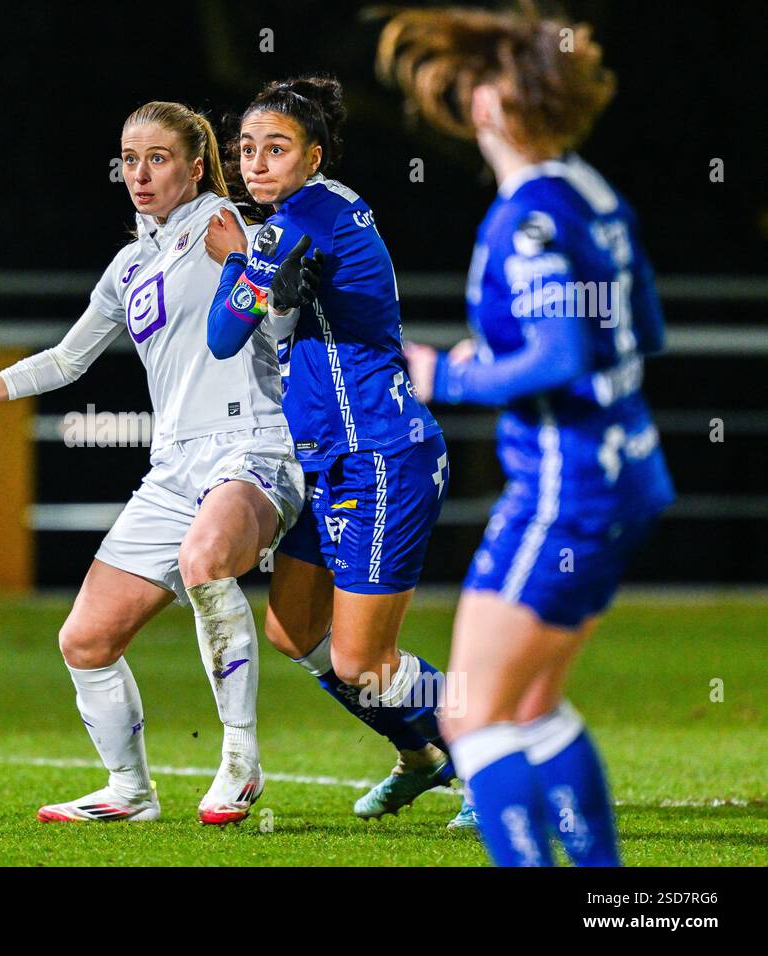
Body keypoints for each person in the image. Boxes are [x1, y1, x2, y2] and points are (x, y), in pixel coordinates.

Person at [0, 101, 304, 825]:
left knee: (206, 561)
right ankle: (130, 790)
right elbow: (66, 358)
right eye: (130, 159)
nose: (140, 174)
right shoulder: (131, 264)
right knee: (85, 641)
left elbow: (282, 317)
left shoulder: (229, 226)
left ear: (194, 165)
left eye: (158, 158)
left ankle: (241, 761)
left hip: (254, 447)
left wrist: (248, 264)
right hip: (174, 466)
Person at [378, 5, 675, 865]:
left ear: (484, 108)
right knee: (535, 703)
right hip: (630, 475)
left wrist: (449, 374)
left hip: (566, 488)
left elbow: (559, 352)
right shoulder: (592, 192)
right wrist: (517, 349)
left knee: (471, 711)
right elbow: (641, 329)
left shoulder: (530, 217)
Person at [204, 76, 469, 829]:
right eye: (246, 149)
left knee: (363, 662)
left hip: (379, 455)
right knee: (292, 630)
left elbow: (226, 337)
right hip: (333, 460)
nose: (256, 162)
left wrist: (238, 260)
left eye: (276, 148)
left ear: (312, 155)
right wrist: (259, 265)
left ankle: (489, 753)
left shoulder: (300, 221)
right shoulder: (312, 210)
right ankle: (420, 756)